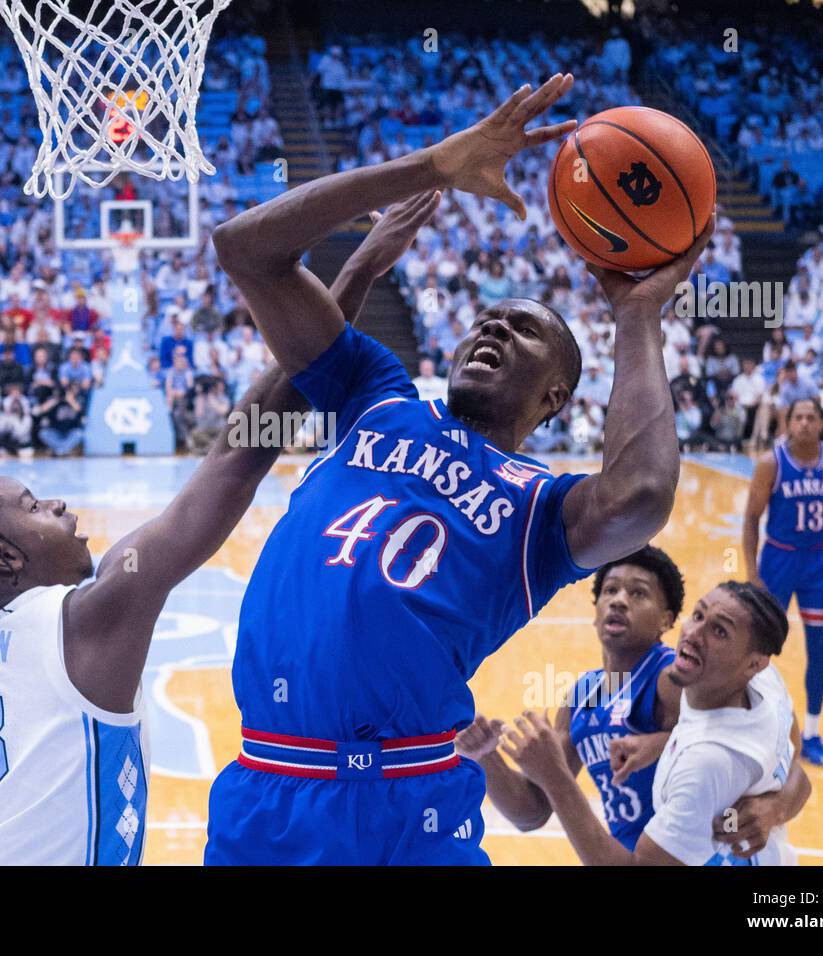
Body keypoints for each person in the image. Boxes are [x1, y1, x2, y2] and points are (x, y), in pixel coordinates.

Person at [204, 74, 711, 865]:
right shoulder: (378, 394)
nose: (495, 330)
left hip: (410, 804)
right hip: (266, 784)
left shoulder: (543, 511)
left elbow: (642, 495)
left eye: (524, 330)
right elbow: (246, 250)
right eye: (488, 320)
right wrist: (435, 166)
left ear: (554, 397)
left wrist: (636, 314)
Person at [0, 195, 434, 866]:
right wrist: (353, 278)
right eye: (35, 506)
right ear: (5, 555)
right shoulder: (90, 616)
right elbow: (236, 461)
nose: (60, 507)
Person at [459, 547, 808, 858]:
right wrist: (487, 756)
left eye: (638, 593)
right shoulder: (584, 695)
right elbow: (533, 812)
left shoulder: (678, 679)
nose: (619, 600)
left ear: (667, 619)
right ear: (594, 611)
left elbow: (779, 745)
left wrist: (775, 806)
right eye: (609, 590)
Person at [743, 398, 823, 766]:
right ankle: (754, 728)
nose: (805, 423)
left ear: (821, 423)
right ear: (788, 423)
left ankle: (811, 732)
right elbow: (750, 519)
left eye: (812, 417)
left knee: (819, 651)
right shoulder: (771, 463)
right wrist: (752, 573)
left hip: (819, 562)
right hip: (778, 557)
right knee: (759, 649)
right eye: (799, 417)